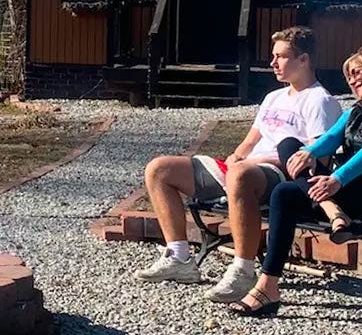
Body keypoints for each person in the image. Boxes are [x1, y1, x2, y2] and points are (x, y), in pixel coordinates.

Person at [134, 26, 342, 303]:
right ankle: (179, 257)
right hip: (244, 169)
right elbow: (249, 141)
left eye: (280, 56)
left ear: (303, 60)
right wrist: (236, 156)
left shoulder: (321, 101)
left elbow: (317, 157)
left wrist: (249, 163)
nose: (272, 63)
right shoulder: (273, 98)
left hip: (278, 175)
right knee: (160, 169)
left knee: (241, 174)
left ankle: (243, 271)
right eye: (273, 56)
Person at [230, 45, 362, 317]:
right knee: (289, 156)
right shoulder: (357, 110)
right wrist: (309, 153)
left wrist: (336, 179)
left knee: (290, 186)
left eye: (357, 72)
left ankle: (330, 208)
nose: (351, 79)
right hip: (349, 189)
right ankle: (269, 286)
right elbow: (328, 140)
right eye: (348, 75)